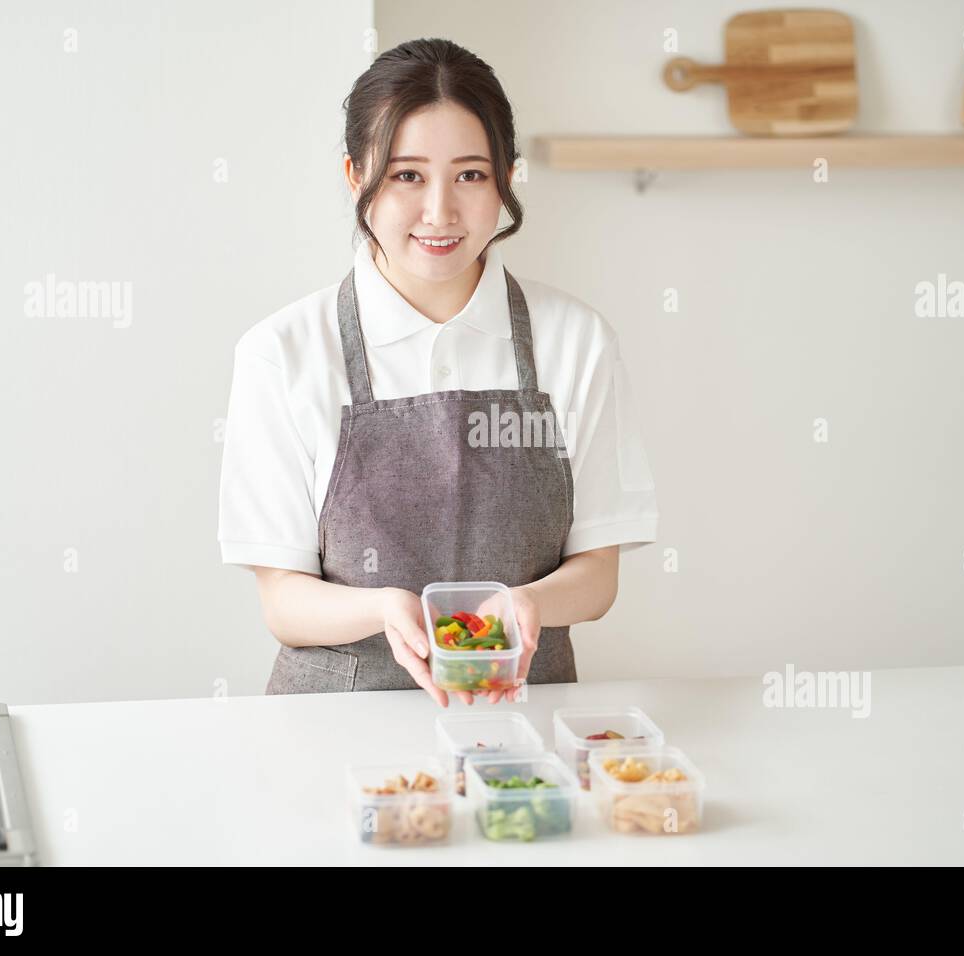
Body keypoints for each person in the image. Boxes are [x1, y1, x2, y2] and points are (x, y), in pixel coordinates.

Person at [218, 38, 658, 707]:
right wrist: (385, 608)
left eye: (471, 176)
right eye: (407, 176)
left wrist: (523, 604)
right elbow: (282, 600)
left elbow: (597, 577)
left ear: (507, 177)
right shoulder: (281, 353)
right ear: (353, 176)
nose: (440, 213)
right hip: (330, 729)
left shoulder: (576, 340)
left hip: (521, 732)